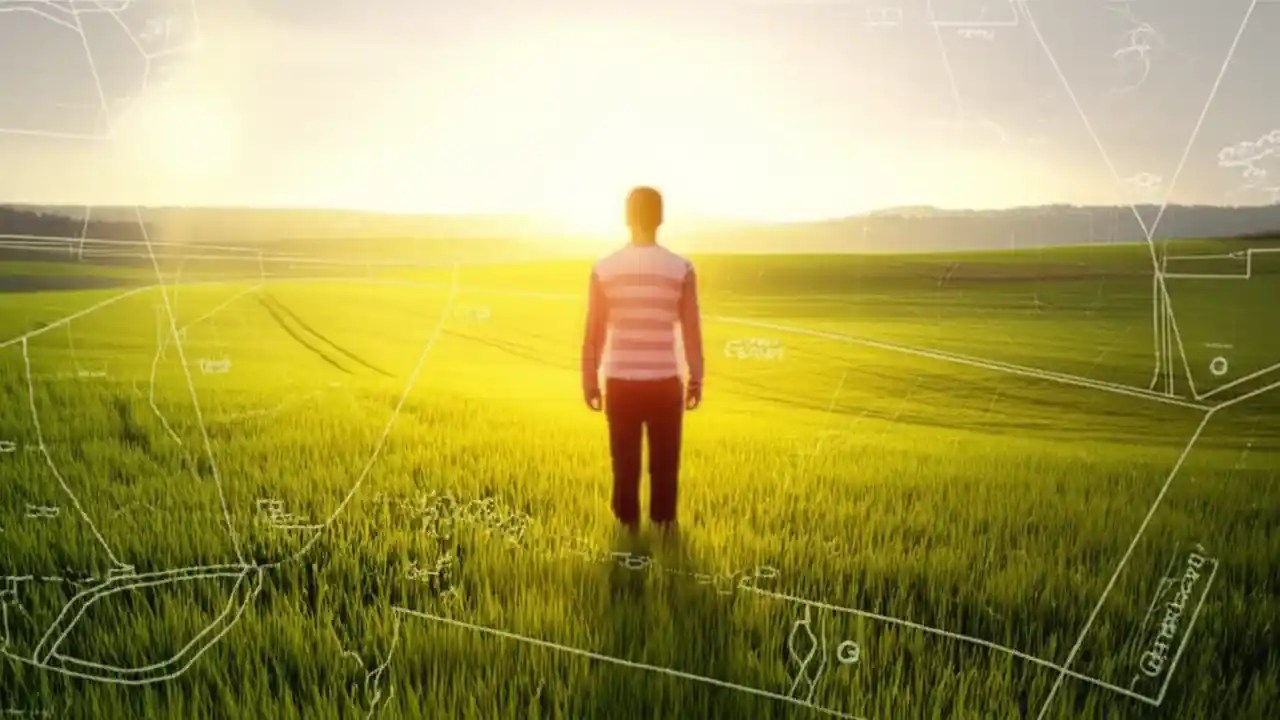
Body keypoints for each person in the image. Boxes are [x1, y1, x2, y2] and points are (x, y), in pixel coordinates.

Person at [581, 186, 704, 535]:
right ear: (661, 218)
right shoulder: (681, 268)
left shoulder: (603, 269)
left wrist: (590, 380)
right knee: (665, 468)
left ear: (626, 217)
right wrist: (697, 377)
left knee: (625, 468)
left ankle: (626, 540)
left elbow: (594, 330)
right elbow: (691, 330)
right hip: (666, 382)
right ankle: (664, 536)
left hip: (620, 382)